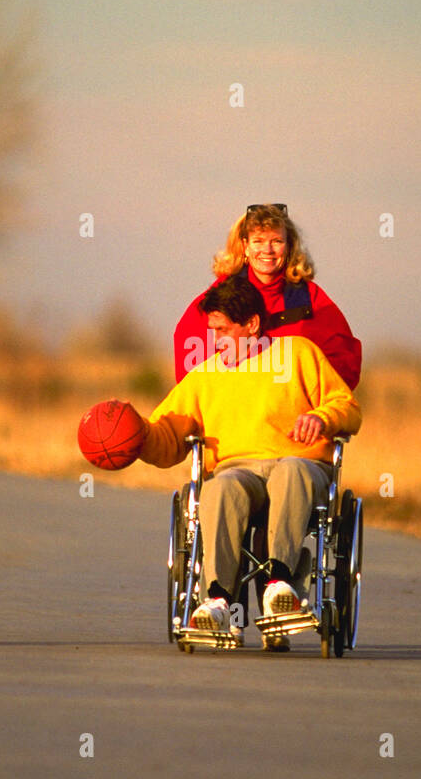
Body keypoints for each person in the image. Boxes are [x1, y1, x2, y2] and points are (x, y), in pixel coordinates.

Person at [142, 275, 360, 648]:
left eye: (224, 330)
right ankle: (218, 601)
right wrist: (136, 438)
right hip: (239, 472)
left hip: (301, 465)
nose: (216, 340)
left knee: (290, 471)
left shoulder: (299, 354)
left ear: (252, 325)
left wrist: (322, 418)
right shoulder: (205, 377)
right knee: (220, 486)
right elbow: (165, 434)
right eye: (213, 331)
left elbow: (348, 408)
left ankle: (279, 586)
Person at [173, 203, 362, 390]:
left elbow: (344, 367)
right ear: (245, 246)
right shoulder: (219, 296)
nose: (268, 250)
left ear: (289, 246)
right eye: (259, 241)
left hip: (293, 414)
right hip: (232, 411)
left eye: (277, 241)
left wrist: (306, 400)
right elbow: (189, 371)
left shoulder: (311, 300)